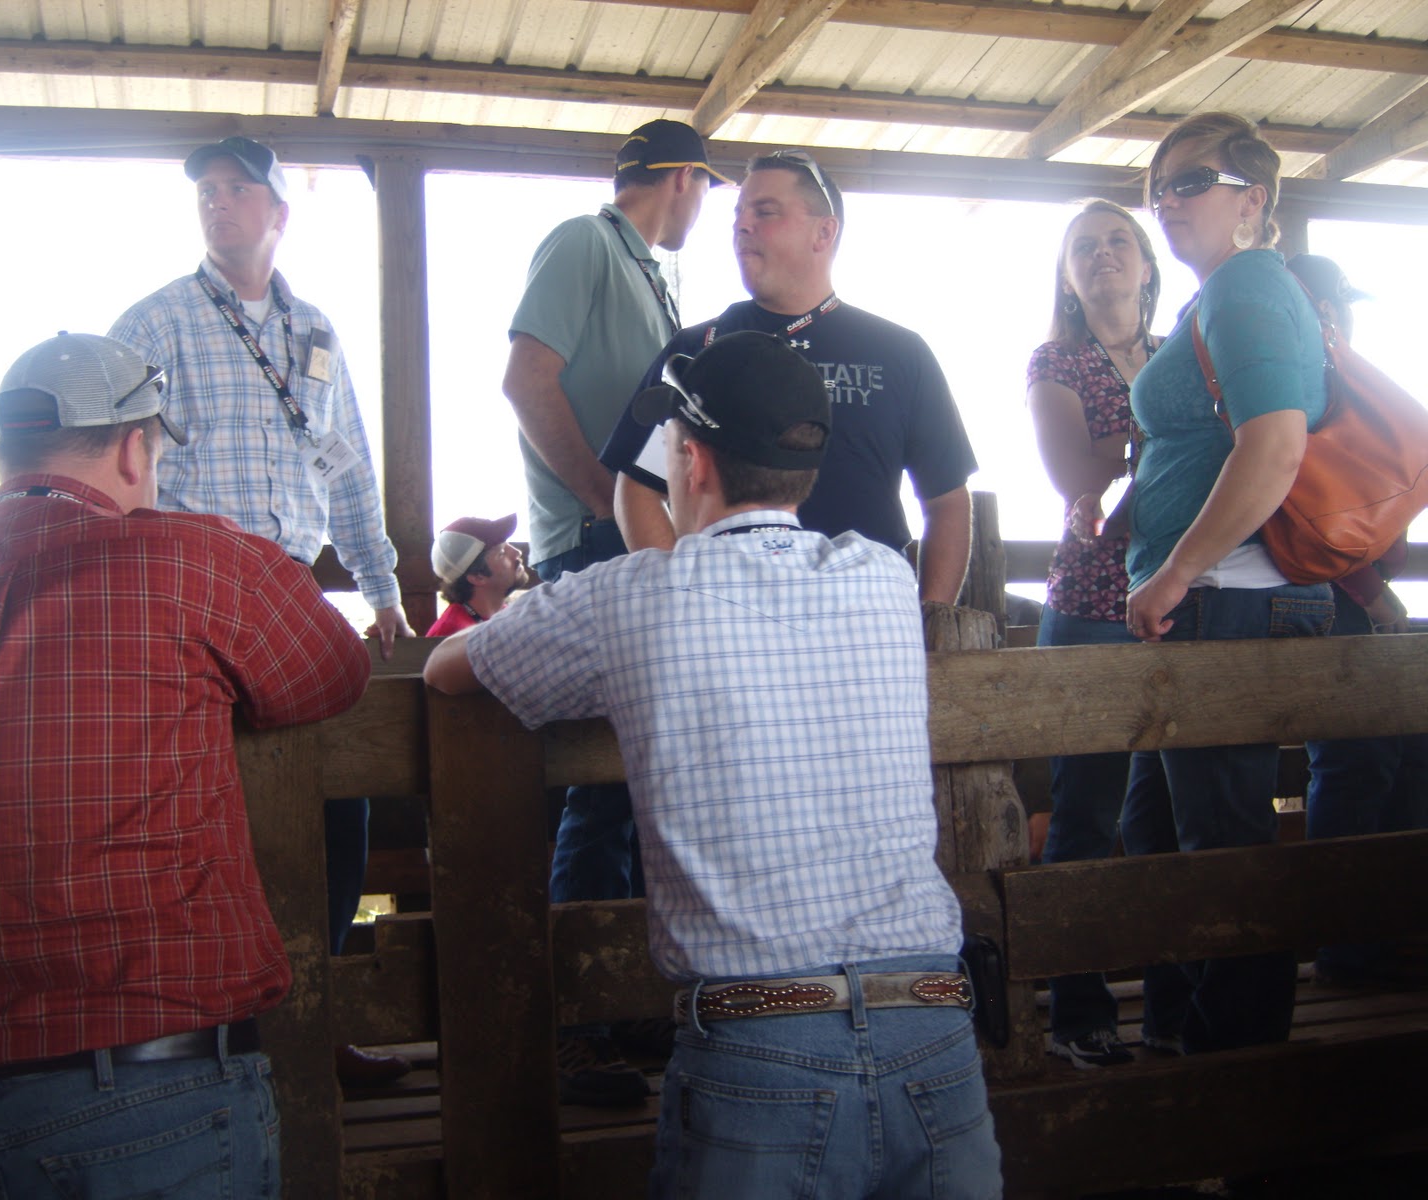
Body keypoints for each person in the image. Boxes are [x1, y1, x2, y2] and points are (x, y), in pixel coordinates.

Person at [424, 331, 1002, 1198]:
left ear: (689, 460)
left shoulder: (635, 596)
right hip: (935, 1030)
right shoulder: (883, 577)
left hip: (759, 1052)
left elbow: (446, 670)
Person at [0, 332, 371, 1197]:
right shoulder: (197, 560)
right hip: (155, 1092)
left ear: (5, 454)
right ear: (132, 447)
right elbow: (335, 675)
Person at [109, 137, 410, 1081]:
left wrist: (384, 583)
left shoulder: (315, 330)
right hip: (190, 586)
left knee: (339, 798)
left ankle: (312, 1023)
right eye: (206, 189)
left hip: (290, 585)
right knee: (203, 810)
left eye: (239, 189)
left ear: (279, 213)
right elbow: (113, 462)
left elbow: (349, 464)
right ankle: (213, 1037)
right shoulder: (153, 322)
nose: (218, 202)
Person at [503, 118, 728, 1102]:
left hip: (635, 543)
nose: (704, 208)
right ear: (684, 178)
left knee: (641, 783)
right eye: (707, 189)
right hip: (596, 545)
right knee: (597, 790)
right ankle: (574, 1032)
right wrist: (605, 502)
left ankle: (629, 1008)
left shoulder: (655, 277)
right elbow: (525, 377)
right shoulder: (586, 243)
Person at [1120, 112, 1335, 1052]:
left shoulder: (1247, 287)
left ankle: (1234, 1093)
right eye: (1158, 185)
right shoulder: (1221, 294)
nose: (1169, 201)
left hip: (1229, 602)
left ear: (1253, 199)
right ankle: (1184, 1061)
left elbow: (1276, 445)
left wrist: (1175, 572)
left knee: (1222, 856)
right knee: (1167, 843)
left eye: (1192, 180)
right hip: (1214, 603)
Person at [602, 149, 977, 605]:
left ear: (824, 231)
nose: (741, 225)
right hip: (731, 628)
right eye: (739, 214)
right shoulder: (696, 353)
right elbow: (639, 490)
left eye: (765, 212)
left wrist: (929, 621)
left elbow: (947, 501)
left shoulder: (899, 353)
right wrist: (689, 600)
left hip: (864, 623)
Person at [1026, 199, 1188, 1066]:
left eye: (1118, 241)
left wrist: (1141, 452)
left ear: (1149, 264)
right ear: (1067, 274)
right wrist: (1174, 432)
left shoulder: (1178, 355)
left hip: (1178, 608)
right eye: (1083, 248)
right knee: (1084, 812)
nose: (1102, 257)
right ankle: (1077, 1012)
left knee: (1164, 814)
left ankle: (1172, 1008)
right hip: (1090, 605)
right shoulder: (1057, 360)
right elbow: (1079, 483)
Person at [1288, 253, 1428, 986]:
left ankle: (1383, 930)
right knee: (1355, 759)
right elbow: (1310, 506)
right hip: (1332, 593)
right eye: (1329, 300)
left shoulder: (1332, 371)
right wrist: (1373, 592)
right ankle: (1348, 945)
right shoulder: (1299, 377)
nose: (1338, 313)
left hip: (1349, 590)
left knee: (1399, 751)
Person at [426, 513, 530, 636]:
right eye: (502, 553)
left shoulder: (500, 615)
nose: (517, 552)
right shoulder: (452, 634)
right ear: (478, 577)